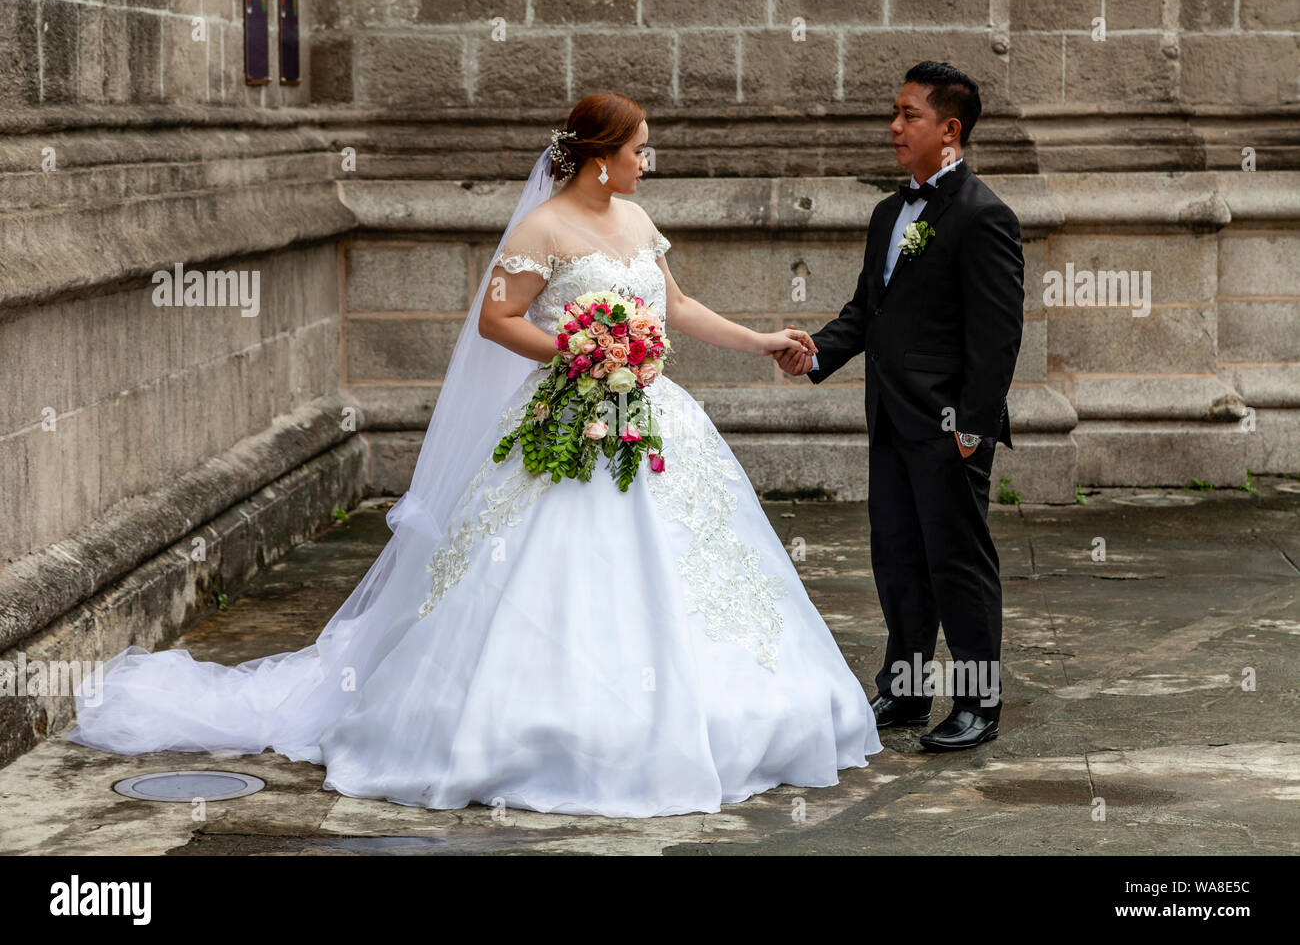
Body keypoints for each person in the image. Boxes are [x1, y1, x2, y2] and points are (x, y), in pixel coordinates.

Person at [66, 92, 883, 818]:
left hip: (655, 416)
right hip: (571, 413)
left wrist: (760, 341)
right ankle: (527, 720)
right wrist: (580, 353)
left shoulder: (636, 221)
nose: (646, 162)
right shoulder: (542, 227)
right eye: (638, 150)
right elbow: (498, 321)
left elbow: (675, 306)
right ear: (599, 159)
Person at [777, 61, 1024, 751]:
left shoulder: (983, 216)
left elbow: (998, 338)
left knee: (958, 565)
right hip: (889, 420)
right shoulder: (890, 213)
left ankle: (979, 704)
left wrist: (972, 430)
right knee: (898, 561)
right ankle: (908, 692)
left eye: (909, 115)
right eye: (895, 112)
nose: (894, 127)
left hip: (950, 431)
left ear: (949, 131)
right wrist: (816, 351)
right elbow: (868, 312)